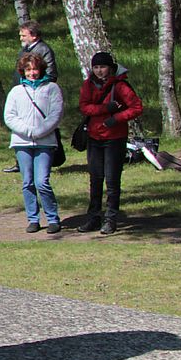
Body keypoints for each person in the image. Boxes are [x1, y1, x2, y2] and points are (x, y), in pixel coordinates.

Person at [77, 50, 142, 235]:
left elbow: (137, 107)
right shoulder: (88, 85)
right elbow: (84, 107)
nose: (99, 71)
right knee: (95, 179)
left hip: (115, 138)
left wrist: (117, 118)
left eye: (103, 67)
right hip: (94, 137)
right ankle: (93, 218)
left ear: (110, 68)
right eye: (96, 67)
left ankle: (111, 219)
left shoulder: (120, 86)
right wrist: (106, 109)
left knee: (112, 181)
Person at [3, 52, 64, 234]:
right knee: (27, 182)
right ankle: (33, 219)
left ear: (41, 70)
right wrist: (28, 131)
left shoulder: (52, 88)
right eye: (28, 70)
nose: (32, 73)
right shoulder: (16, 91)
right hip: (22, 142)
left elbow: (56, 114)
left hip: (45, 142)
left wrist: (40, 131)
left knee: (42, 181)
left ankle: (53, 218)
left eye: (35, 69)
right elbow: (9, 116)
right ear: (23, 71)